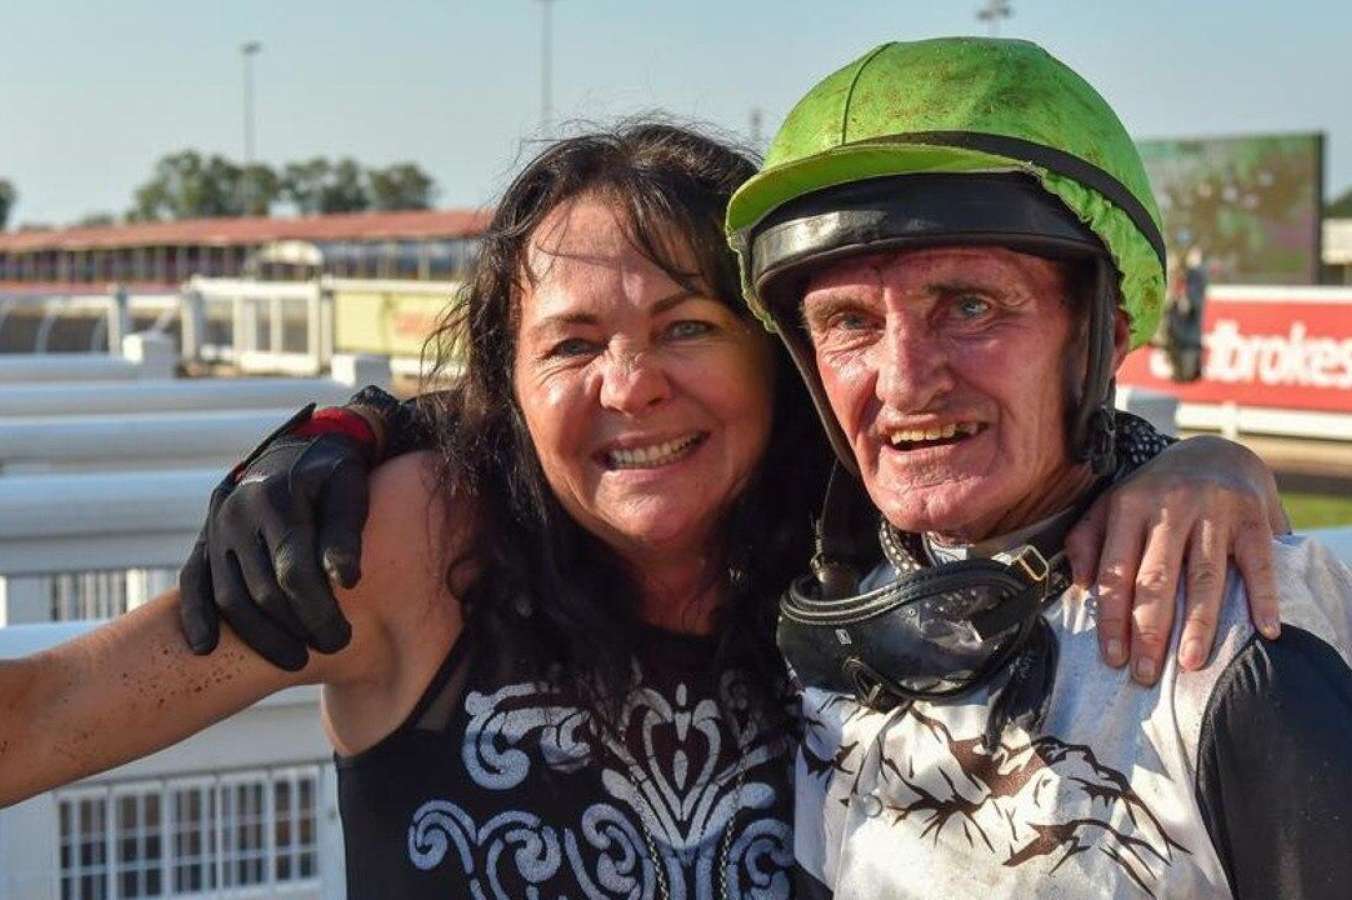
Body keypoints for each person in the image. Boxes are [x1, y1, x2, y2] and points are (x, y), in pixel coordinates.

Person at [1, 122, 1285, 900]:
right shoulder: (416, 542)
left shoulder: (870, 546)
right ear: (506, 385)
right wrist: (363, 426)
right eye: (570, 346)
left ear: (776, 360)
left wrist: (1199, 461)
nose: (630, 386)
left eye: (686, 327)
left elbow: (1039, 452)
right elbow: (44, 716)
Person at [718, 37, 1352, 897]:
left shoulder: (1236, 640)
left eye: (970, 305)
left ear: (1102, 336)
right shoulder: (813, 605)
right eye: (849, 322)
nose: (903, 381)